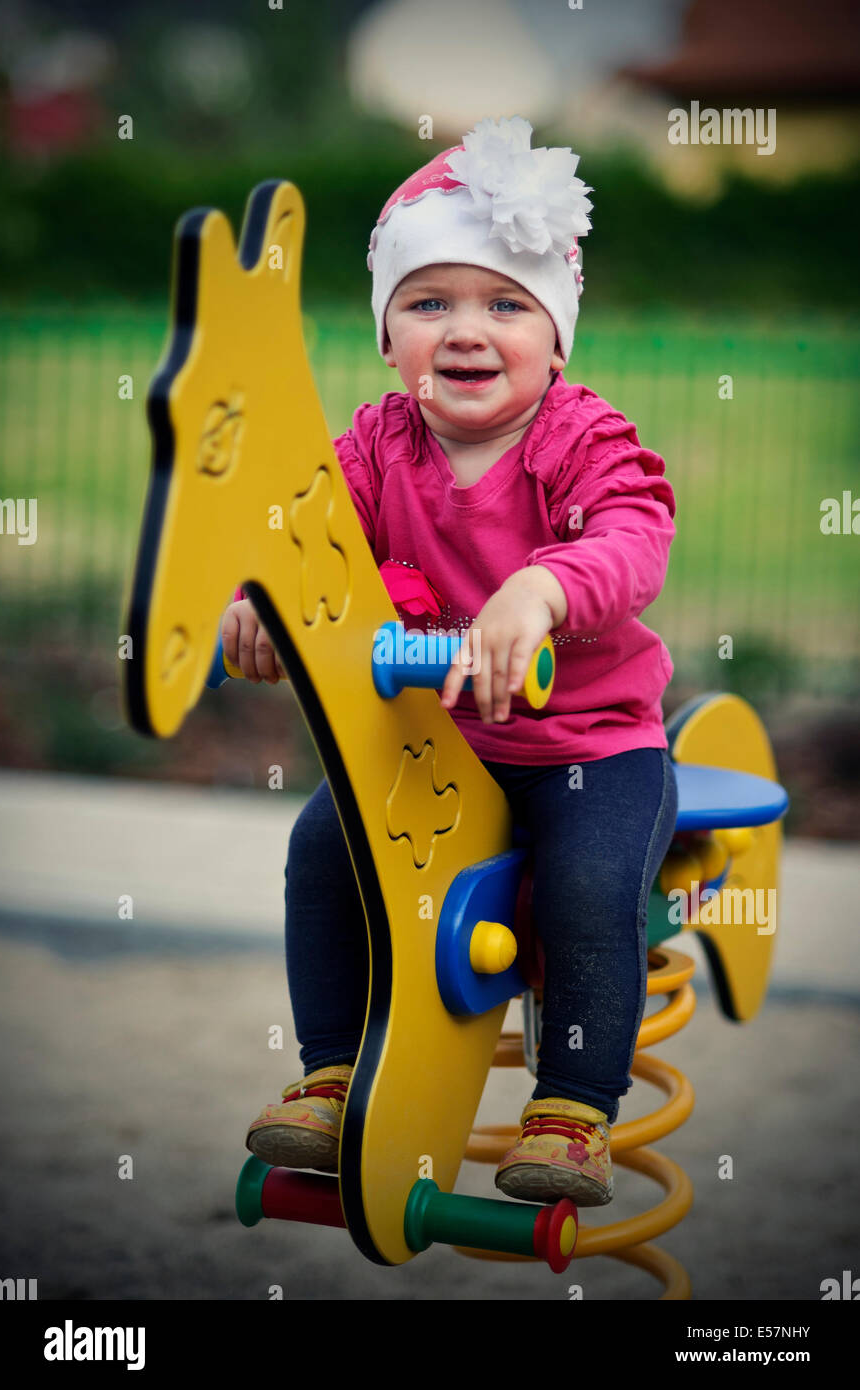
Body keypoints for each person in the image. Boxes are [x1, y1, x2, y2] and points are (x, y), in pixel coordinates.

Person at [223, 117, 679, 1206]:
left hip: (587, 744)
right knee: (323, 850)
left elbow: (632, 533)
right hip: (438, 744)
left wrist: (542, 584)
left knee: (584, 880)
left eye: (504, 303)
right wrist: (256, 599)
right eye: (429, 303)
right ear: (388, 337)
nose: (466, 331)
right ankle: (331, 1078)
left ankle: (572, 1106)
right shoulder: (377, 448)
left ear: (555, 337)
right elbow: (305, 538)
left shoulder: (578, 438)